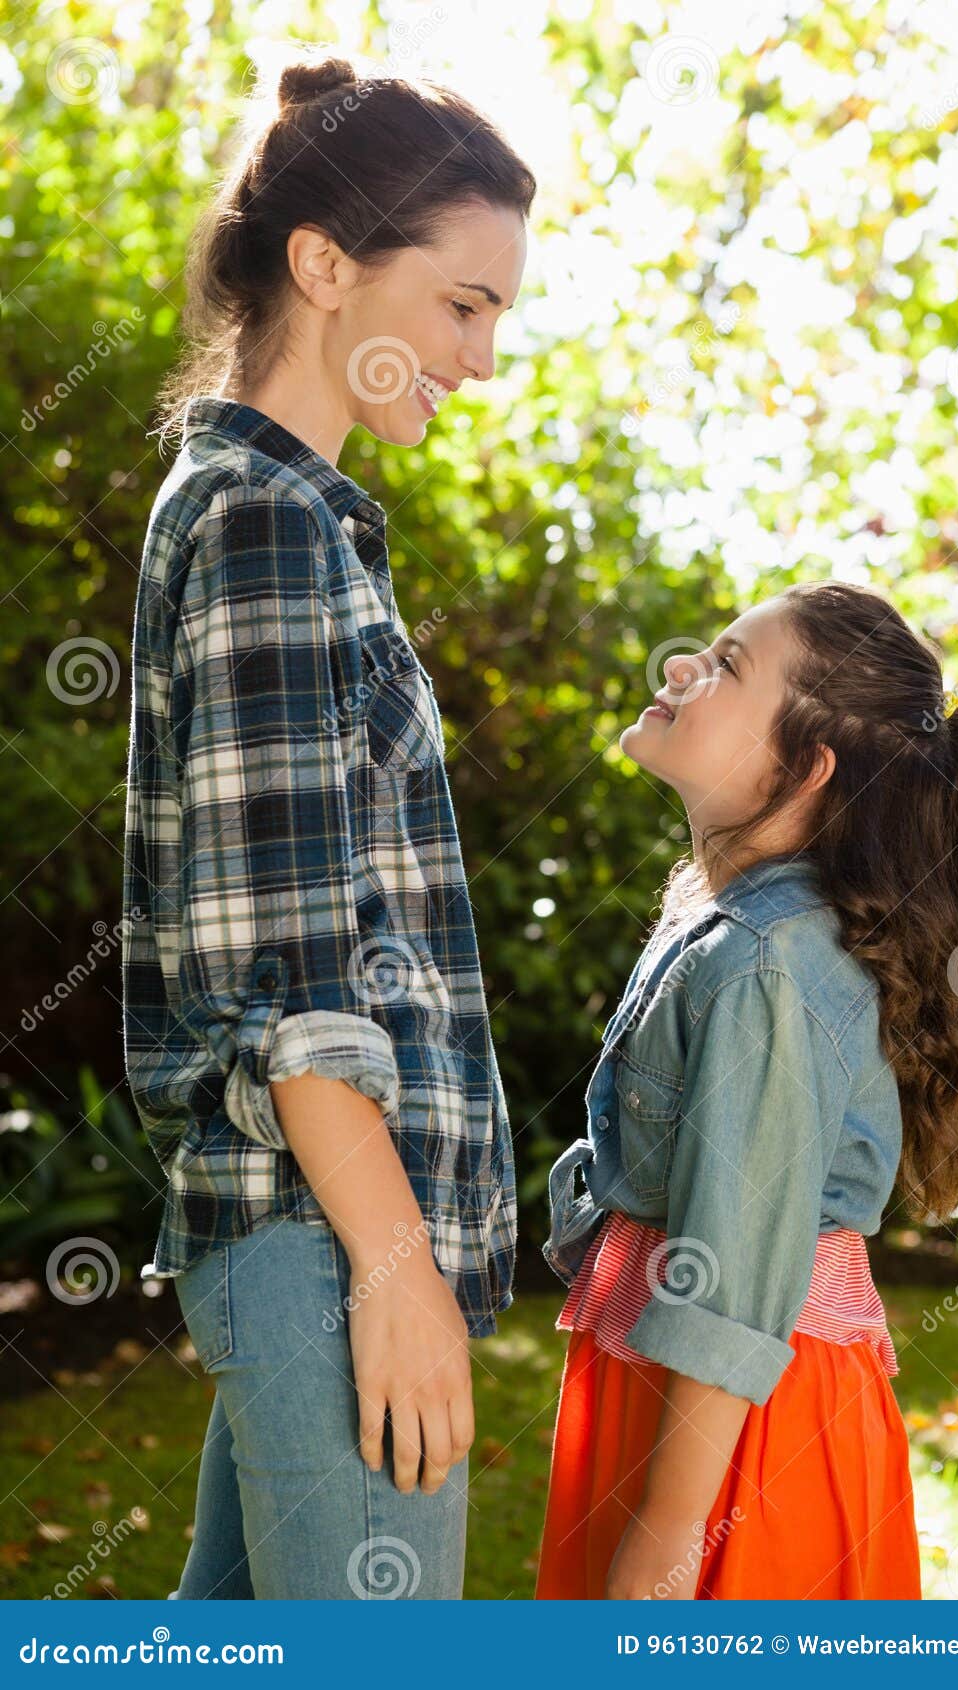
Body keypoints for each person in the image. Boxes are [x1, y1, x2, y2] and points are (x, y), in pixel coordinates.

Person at [121, 54, 534, 1599]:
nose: (483, 358)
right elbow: (291, 983)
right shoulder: (265, 526)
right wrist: (394, 1263)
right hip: (319, 1238)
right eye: (462, 303)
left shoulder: (269, 517)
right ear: (323, 264)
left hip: (301, 1236)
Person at [535, 581, 958, 1600]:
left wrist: (666, 1542)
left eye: (723, 663)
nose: (679, 667)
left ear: (805, 768)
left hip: (739, 1429)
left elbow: (729, 1282)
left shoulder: (768, 962)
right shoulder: (731, 924)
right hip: (686, 1395)